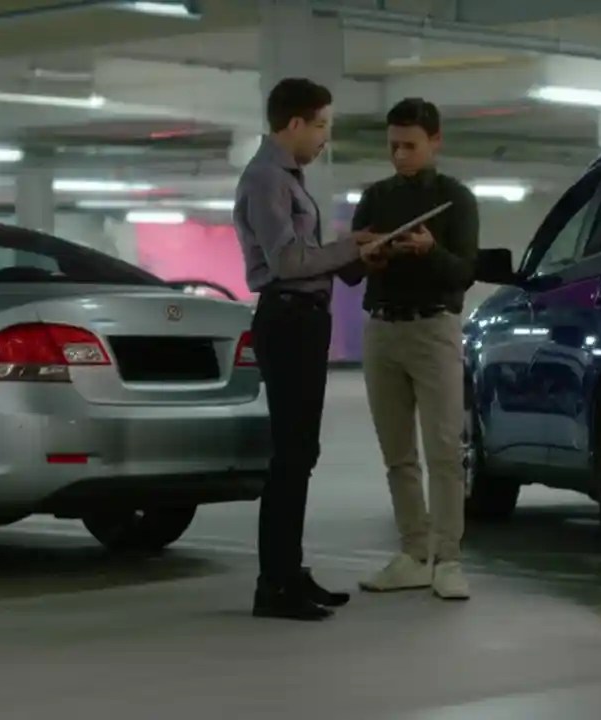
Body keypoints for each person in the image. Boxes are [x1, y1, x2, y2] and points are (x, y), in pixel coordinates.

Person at [234, 77, 388, 621]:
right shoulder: (265, 180)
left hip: (306, 320)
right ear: (294, 123)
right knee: (291, 455)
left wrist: (360, 256)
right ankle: (274, 585)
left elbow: (309, 259)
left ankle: (287, 571)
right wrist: (349, 246)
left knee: (302, 453)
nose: (326, 137)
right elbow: (288, 263)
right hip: (288, 320)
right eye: (321, 124)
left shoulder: (287, 179)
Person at [352, 98, 479, 600]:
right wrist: (369, 254)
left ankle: (448, 559)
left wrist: (431, 251)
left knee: (445, 449)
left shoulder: (456, 199)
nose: (400, 155)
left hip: (433, 329)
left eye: (409, 146)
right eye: (393, 146)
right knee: (397, 453)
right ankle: (413, 552)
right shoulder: (376, 197)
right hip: (382, 331)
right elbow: (351, 266)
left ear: (435, 142)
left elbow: (465, 273)